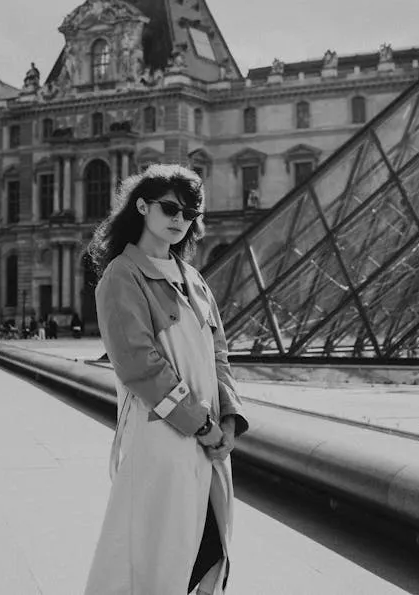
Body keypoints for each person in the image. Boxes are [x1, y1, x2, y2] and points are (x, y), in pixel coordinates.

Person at [83, 165, 248, 594]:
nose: (180, 219)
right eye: (170, 208)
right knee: (152, 561)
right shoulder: (122, 276)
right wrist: (205, 426)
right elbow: (140, 366)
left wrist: (229, 418)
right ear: (141, 206)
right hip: (163, 439)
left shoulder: (193, 278)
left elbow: (218, 354)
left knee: (205, 552)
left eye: (190, 212)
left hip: (206, 438)